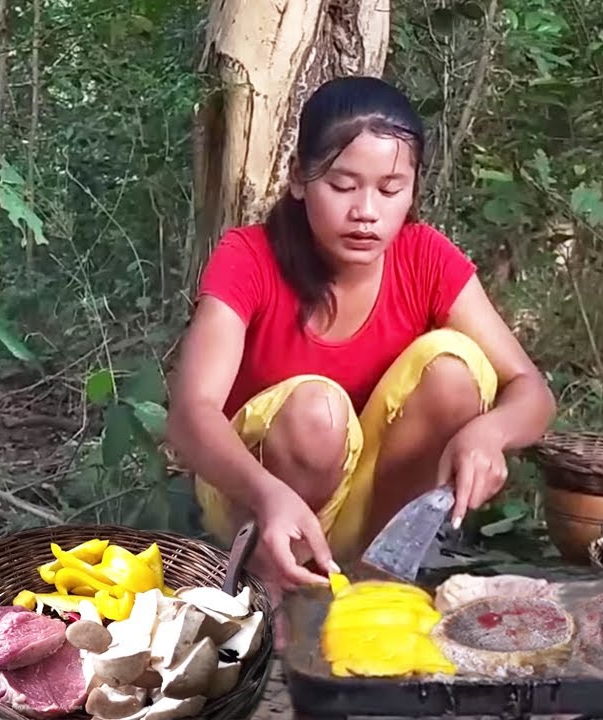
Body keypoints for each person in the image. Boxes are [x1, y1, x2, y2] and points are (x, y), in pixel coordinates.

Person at [166, 75, 557, 602]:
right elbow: (191, 416)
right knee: (317, 412)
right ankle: (274, 585)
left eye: (390, 189)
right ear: (298, 179)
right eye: (343, 186)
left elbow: (530, 388)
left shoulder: (426, 258)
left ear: (414, 188)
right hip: (257, 500)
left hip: (370, 506)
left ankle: (380, 583)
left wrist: (490, 434)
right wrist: (266, 494)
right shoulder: (249, 257)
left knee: (453, 369)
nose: (366, 212)